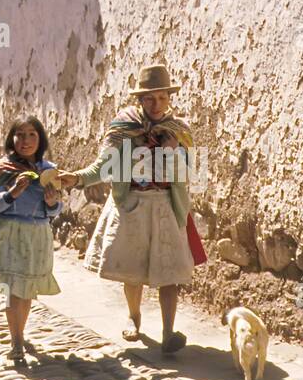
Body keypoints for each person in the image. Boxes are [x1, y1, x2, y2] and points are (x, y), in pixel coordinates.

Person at [59, 65, 205, 355]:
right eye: (150, 99)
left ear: (169, 98)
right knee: (132, 271)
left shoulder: (179, 130)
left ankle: (168, 333)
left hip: (166, 206)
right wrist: (77, 178)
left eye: (162, 98)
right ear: (140, 100)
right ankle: (134, 316)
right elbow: (104, 166)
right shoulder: (124, 128)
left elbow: (189, 171)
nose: (157, 105)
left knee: (170, 273)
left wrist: (174, 151)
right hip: (133, 205)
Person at [0, 116, 64, 363]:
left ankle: (19, 333)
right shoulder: (4, 169)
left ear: (40, 139)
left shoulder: (48, 170)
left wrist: (51, 202)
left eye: (31, 135)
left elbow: (55, 209)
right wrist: (14, 191)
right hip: (10, 234)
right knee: (12, 290)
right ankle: (16, 342)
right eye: (20, 135)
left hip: (36, 236)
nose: (25, 141)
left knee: (25, 291)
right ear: (12, 138)